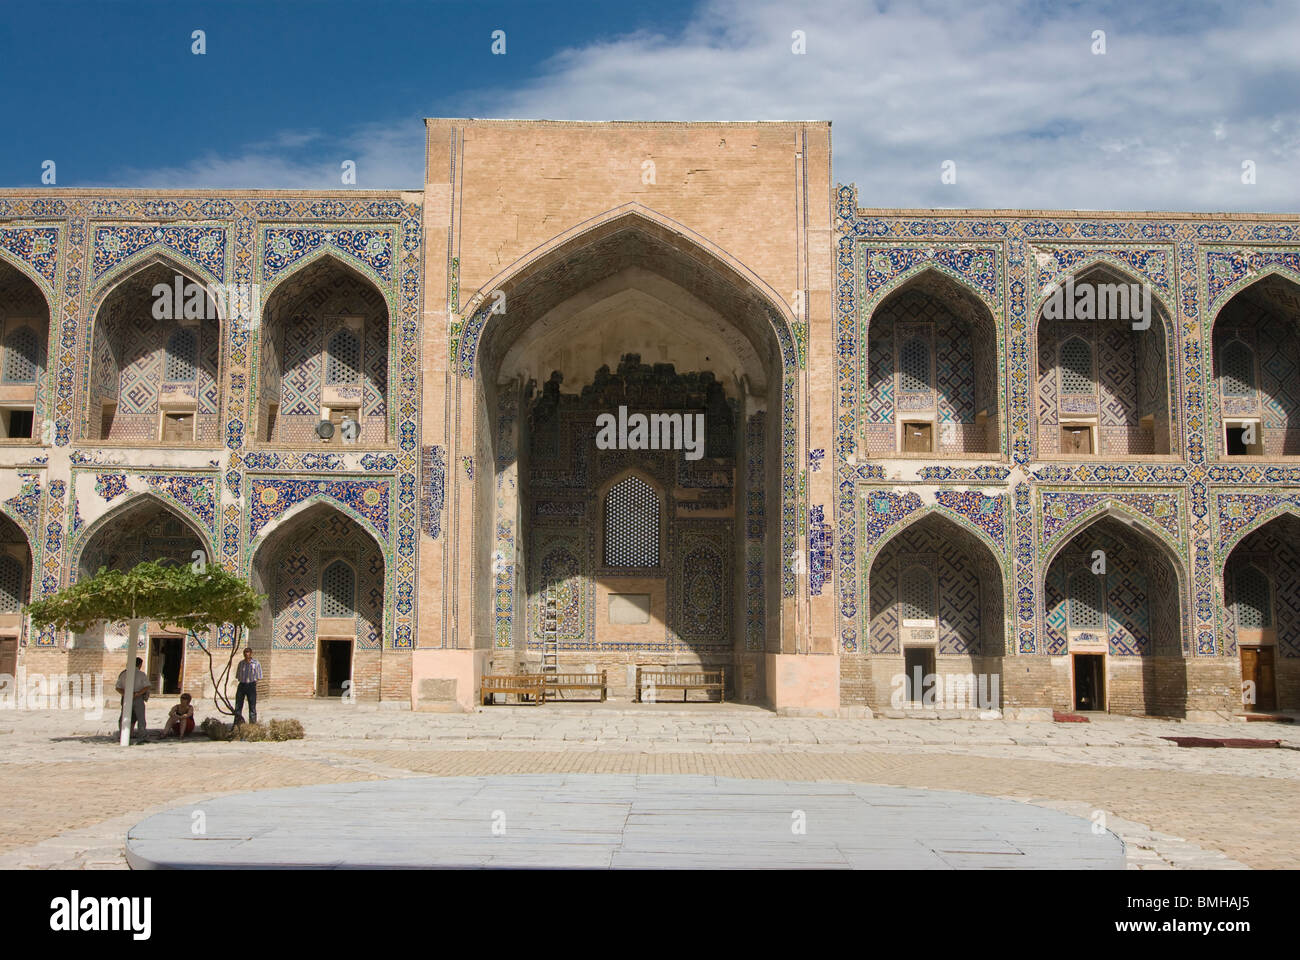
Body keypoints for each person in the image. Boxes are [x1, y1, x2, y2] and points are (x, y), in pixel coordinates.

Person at [115, 656, 151, 742]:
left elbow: (118, 687)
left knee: (124, 716)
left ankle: (122, 734)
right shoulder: (141, 674)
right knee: (140, 717)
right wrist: (138, 693)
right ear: (139, 665)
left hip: (126, 697)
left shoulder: (123, 674)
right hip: (138, 697)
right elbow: (147, 686)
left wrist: (126, 694)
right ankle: (142, 736)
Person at [234, 647, 262, 724]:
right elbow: (238, 675)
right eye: (245, 652)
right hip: (242, 685)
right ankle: (237, 724)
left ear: (251, 653)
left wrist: (253, 683)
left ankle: (252, 725)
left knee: (252, 706)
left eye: (248, 652)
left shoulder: (256, 663)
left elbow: (259, 676)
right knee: (238, 706)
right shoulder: (241, 663)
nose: (246, 654)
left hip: (251, 686)